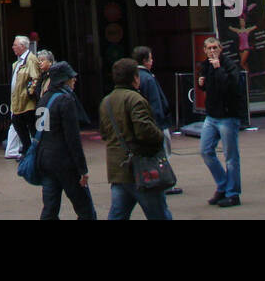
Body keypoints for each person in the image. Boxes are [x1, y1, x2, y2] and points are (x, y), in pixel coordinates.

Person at [101, 57, 170, 220]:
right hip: (140, 167)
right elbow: (144, 130)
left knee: (118, 214)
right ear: (134, 78)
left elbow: (104, 133)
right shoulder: (135, 99)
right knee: (159, 214)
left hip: (118, 169)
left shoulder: (106, 101)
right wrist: (160, 136)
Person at [34, 61, 95, 220]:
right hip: (64, 162)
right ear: (63, 80)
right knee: (85, 209)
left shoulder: (43, 99)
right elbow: (72, 138)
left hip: (45, 160)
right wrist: (82, 169)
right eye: (71, 77)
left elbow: (40, 131)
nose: (74, 80)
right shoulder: (66, 100)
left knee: (50, 208)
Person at [196, 36, 242, 207]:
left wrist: (219, 68)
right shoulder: (205, 65)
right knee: (206, 151)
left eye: (215, 47)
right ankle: (223, 185)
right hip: (212, 115)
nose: (213, 51)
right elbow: (210, 87)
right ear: (205, 51)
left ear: (221, 49)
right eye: (209, 48)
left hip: (228, 116)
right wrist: (201, 84)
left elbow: (231, 87)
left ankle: (233, 193)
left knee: (231, 157)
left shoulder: (229, 65)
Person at [132, 45, 180, 195]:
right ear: (145, 60)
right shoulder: (148, 78)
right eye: (151, 58)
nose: (152, 61)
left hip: (145, 123)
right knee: (163, 153)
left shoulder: (135, 77)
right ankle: (165, 182)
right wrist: (159, 123)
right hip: (157, 124)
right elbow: (156, 104)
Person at [9, 35, 42, 155]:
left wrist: (29, 92)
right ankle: (28, 152)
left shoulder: (31, 59)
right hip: (18, 104)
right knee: (18, 124)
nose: (13, 47)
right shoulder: (17, 62)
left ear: (22, 46)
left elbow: (35, 78)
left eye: (15, 45)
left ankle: (34, 153)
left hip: (27, 104)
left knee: (32, 128)